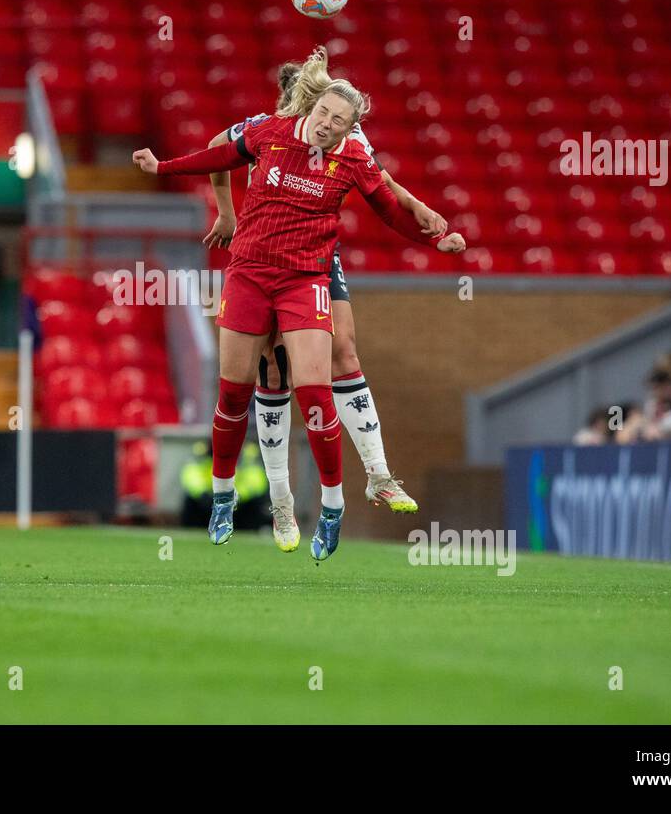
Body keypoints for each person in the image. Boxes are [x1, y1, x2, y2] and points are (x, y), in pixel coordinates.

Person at [133, 48, 465, 561]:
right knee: (235, 395)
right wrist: (165, 169)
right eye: (323, 113)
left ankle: (334, 505)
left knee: (317, 388)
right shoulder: (268, 130)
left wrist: (430, 240)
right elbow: (219, 154)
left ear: (349, 127)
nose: (328, 124)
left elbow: (384, 202)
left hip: (306, 275)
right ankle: (229, 496)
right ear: (306, 106)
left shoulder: (352, 153)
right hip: (248, 272)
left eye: (340, 120)